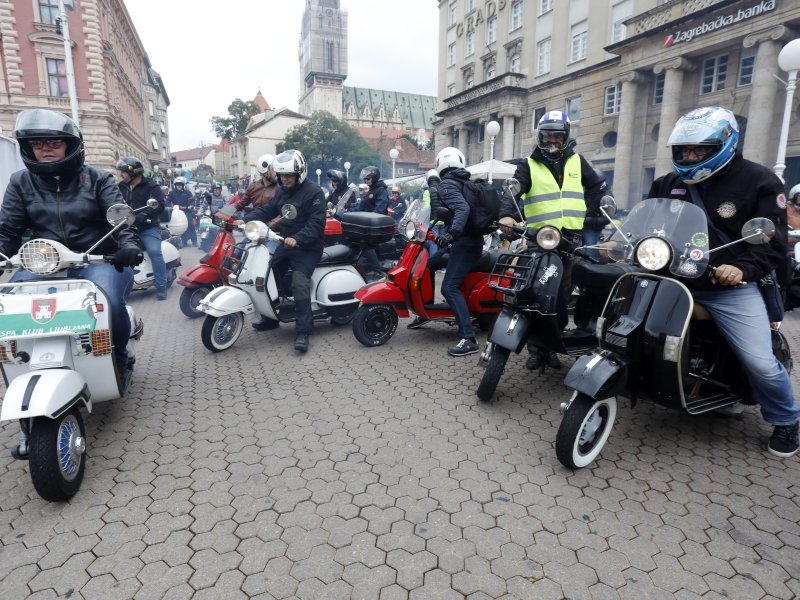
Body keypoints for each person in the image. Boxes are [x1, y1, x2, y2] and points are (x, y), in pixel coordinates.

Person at [649, 105, 799, 458]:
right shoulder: (667, 183)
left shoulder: (759, 180)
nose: (691, 157)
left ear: (727, 143)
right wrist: (619, 239)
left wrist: (742, 269)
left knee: (759, 360)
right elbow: (649, 223)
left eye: (701, 150)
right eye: (685, 151)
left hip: (728, 286)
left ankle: (786, 419)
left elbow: (774, 240)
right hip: (671, 276)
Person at [0, 109, 142, 371]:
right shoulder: (20, 182)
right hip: (44, 263)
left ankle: (120, 353)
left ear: (71, 145)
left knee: (107, 303)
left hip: (98, 259)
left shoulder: (98, 179)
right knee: (9, 302)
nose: (45, 149)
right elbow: (7, 230)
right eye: (37, 143)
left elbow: (120, 219)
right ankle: (21, 362)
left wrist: (129, 246)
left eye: (55, 142)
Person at [499, 110, 609, 370]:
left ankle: (553, 347)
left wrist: (599, 210)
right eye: (547, 135)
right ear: (539, 136)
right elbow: (513, 189)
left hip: (570, 241)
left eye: (557, 137)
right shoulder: (529, 164)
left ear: (566, 137)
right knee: (536, 295)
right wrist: (507, 215)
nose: (552, 141)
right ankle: (536, 350)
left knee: (560, 297)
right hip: (539, 239)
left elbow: (598, 188)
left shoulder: (577, 162)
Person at [243, 149, 326, 352]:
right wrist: (244, 220)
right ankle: (271, 318)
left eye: (289, 175)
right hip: (285, 242)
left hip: (308, 247)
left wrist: (297, 239)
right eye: (282, 175)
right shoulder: (282, 190)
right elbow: (269, 209)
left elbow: (316, 224)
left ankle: (303, 331)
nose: (285, 179)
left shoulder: (314, 192)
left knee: (299, 282)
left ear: (300, 173)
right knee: (267, 272)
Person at [422, 147, 484, 356]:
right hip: (468, 242)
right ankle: (425, 309)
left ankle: (468, 338)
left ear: (440, 164)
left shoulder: (447, 184)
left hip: (464, 244)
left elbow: (462, 210)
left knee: (449, 288)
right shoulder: (465, 181)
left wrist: (452, 234)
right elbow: (452, 212)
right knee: (430, 264)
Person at [116, 156, 167, 300]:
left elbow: (160, 205)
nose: (121, 175)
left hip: (148, 228)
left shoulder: (151, 186)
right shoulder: (122, 186)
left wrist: (144, 215)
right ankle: (121, 286)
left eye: (123, 172)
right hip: (127, 227)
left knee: (154, 251)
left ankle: (161, 285)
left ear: (133, 172)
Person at [355, 165, 390, 277]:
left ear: (374, 178)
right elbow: (361, 207)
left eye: (368, 178)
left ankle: (377, 270)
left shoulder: (381, 191)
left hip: (376, 226)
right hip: (368, 224)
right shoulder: (372, 190)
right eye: (365, 179)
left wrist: (368, 218)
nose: (366, 181)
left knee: (366, 244)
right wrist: (347, 211)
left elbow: (379, 210)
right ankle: (364, 266)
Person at [167, 176, 196, 247]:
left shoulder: (187, 192)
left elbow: (192, 201)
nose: (179, 186)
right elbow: (167, 201)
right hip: (176, 212)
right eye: (177, 184)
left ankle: (194, 241)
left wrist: (189, 206)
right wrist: (170, 208)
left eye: (180, 184)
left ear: (183, 185)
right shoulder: (172, 193)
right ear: (175, 185)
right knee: (177, 227)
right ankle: (182, 241)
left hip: (186, 211)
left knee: (191, 225)